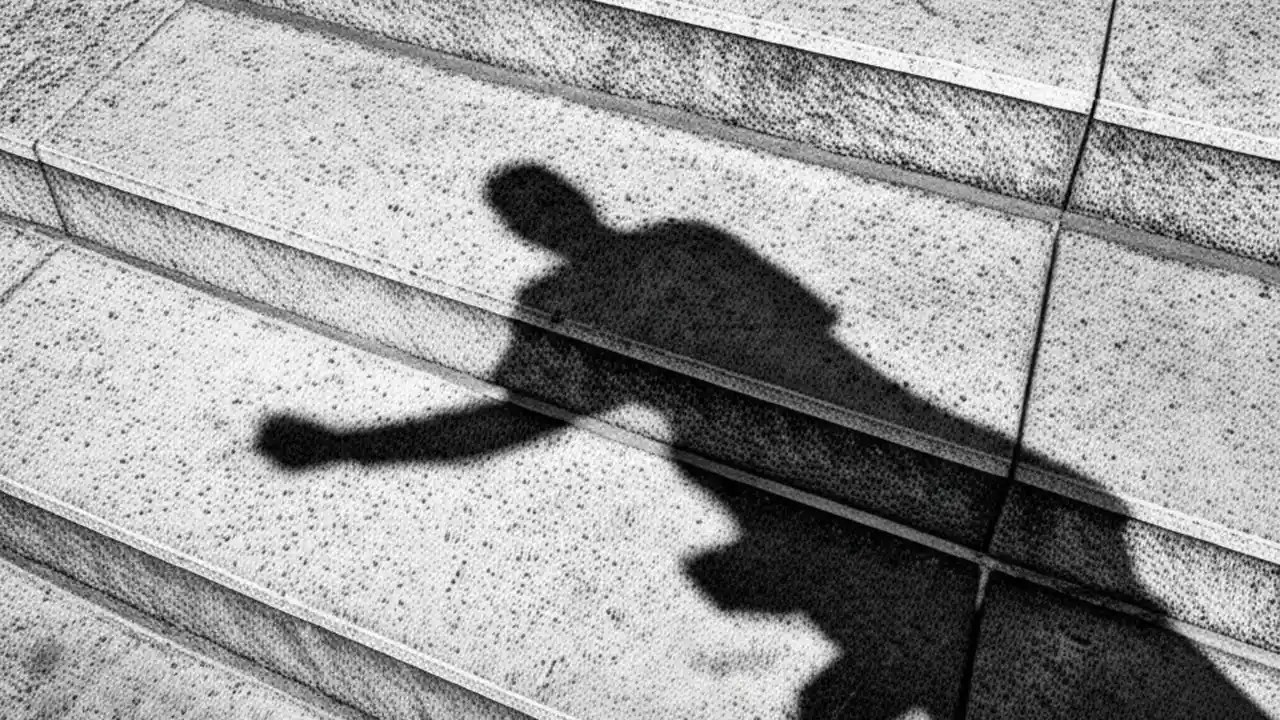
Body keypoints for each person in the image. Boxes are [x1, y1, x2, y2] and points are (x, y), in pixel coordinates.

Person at [258, 165, 1267, 718]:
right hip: (923, 477)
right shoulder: (680, 246)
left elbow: (513, 422)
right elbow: (806, 330)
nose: (543, 225)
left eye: (535, 209)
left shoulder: (633, 267)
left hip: (858, 514)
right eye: (532, 212)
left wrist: (344, 449)